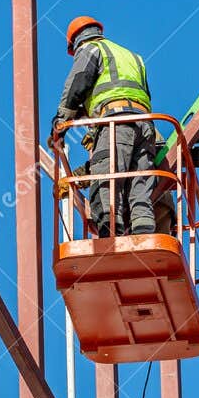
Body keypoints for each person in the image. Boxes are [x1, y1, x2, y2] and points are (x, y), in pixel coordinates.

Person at [51, 15, 161, 236]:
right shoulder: (133, 57)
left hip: (115, 122)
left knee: (105, 183)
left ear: (75, 43)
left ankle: (109, 239)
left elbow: (77, 83)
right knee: (138, 186)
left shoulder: (90, 48)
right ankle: (143, 236)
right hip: (144, 124)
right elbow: (118, 90)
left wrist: (61, 123)